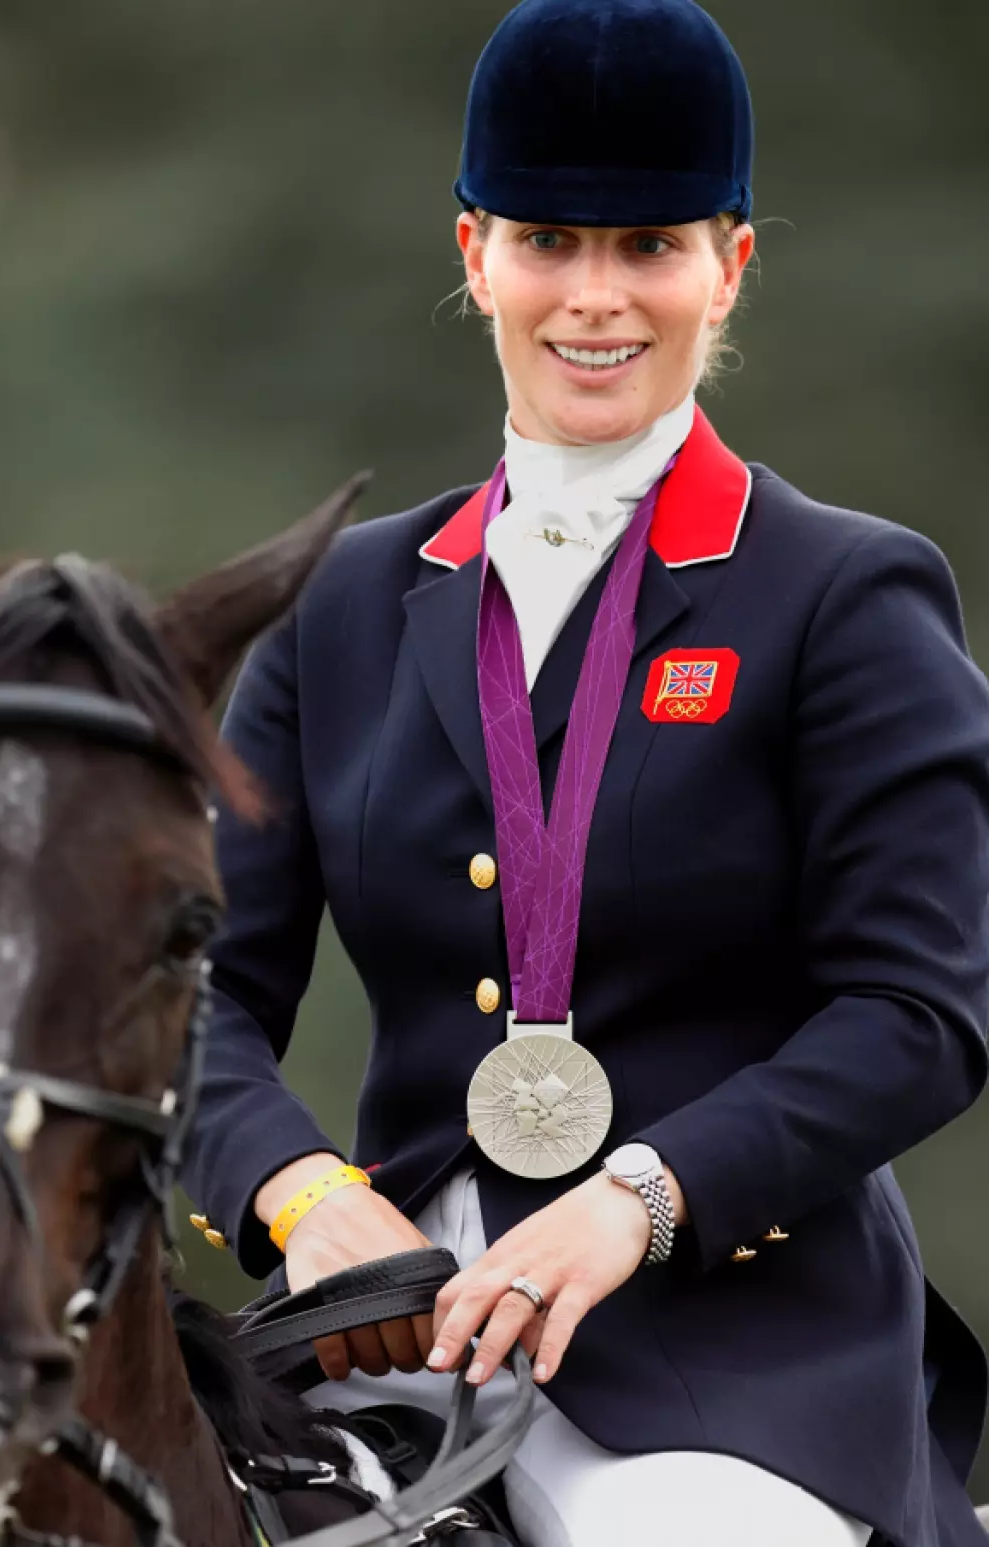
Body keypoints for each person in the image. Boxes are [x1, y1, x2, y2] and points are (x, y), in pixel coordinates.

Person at [182, 2, 989, 1543]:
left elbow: (919, 1014)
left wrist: (636, 1201)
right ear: (476, 251)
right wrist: (296, 1187)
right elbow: (189, 985)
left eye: (651, 247)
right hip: (386, 1333)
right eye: (551, 241)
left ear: (729, 264)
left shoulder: (847, 596)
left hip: (725, 1353)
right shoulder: (337, 608)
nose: (596, 299)